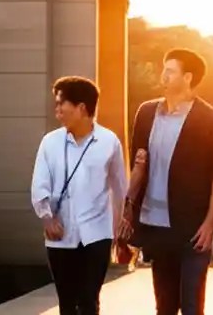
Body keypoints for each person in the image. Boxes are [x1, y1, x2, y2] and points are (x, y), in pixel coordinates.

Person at [121, 49, 213, 315]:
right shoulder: (146, 113)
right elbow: (139, 166)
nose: (164, 75)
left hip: (193, 229)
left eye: (170, 71)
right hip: (155, 226)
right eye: (164, 69)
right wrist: (127, 209)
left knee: (193, 306)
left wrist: (209, 225)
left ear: (188, 77)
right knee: (165, 306)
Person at [31, 76, 128, 314]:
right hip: (60, 234)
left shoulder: (108, 141)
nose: (57, 110)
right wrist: (46, 217)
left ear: (82, 107)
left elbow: (119, 187)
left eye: (61, 104)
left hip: (97, 234)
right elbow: (39, 183)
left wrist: (120, 229)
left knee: (88, 300)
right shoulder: (50, 143)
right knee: (67, 303)